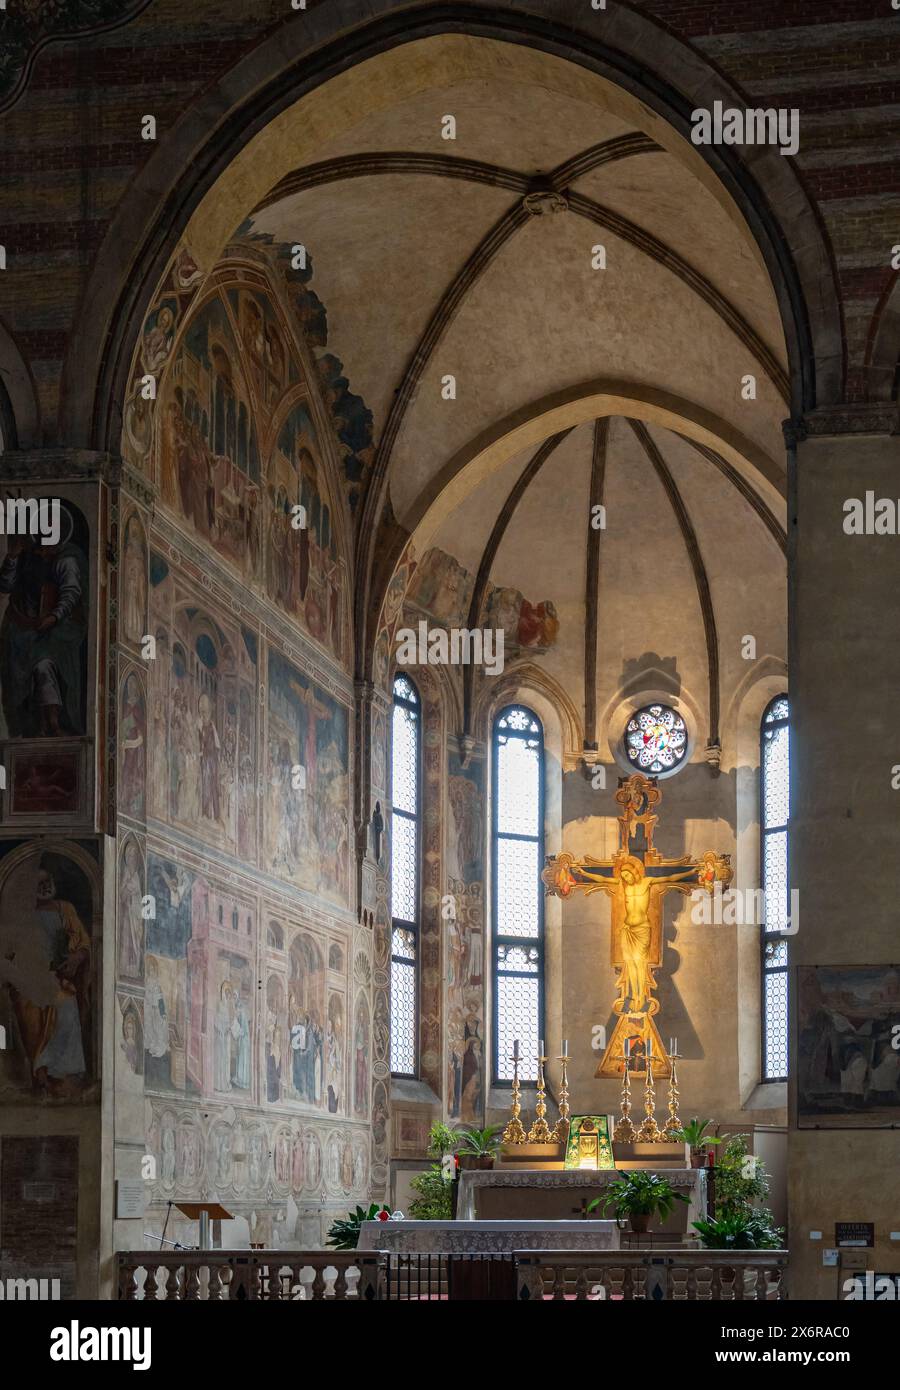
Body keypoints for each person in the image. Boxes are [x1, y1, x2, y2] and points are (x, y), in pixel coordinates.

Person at [0, 512, 87, 737]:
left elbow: (71, 592)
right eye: (43, 526)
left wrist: (54, 617)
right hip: (21, 630)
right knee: (20, 677)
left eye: (52, 526)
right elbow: (6, 585)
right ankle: (31, 726)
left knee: (43, 666)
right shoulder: (26, 555)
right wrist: (11, 558)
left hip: (54, 630)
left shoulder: (65, 558)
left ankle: (52, 723)